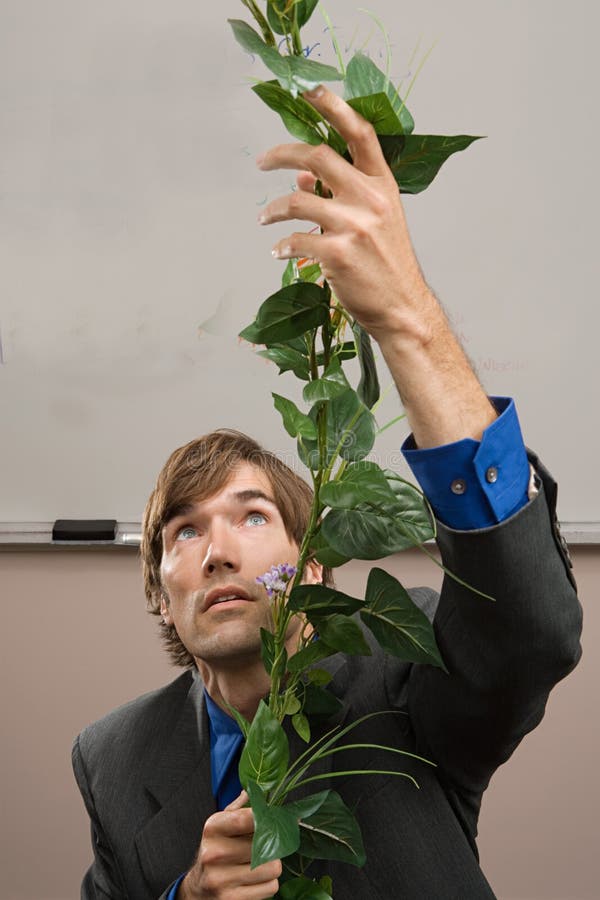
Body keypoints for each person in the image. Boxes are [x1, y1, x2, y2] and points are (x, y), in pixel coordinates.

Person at [72, 87, 582, 899]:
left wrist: (408, 320)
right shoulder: (111, 754)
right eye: (184, 534)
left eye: (253, 514)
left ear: (312, 568)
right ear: (160, 595)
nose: (219, 551)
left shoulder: (400, 665)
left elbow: (531, 633)